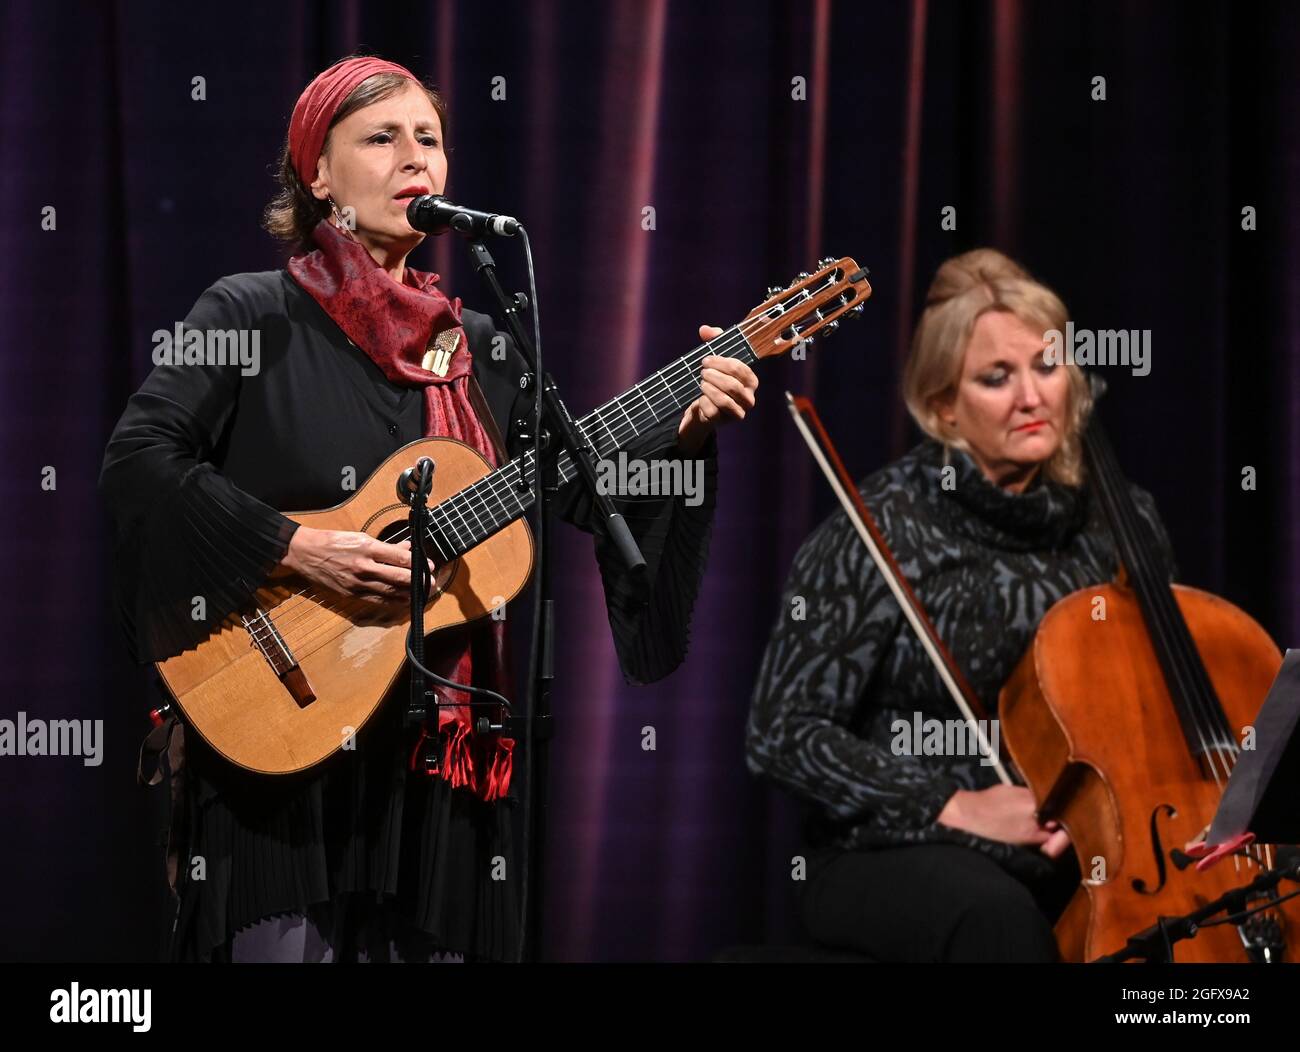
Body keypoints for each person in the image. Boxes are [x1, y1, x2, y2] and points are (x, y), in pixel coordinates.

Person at [100, 55, 759, 963]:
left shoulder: (482, 345)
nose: (416, 155)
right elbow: (139, 462)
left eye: (430, 139)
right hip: (282, 743)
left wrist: (683, 435)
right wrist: (296, 549)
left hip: (434, 765)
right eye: (382, 137)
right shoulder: (253, 313)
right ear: (317, 173)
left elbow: (578, 487)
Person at [745, 248, 1176, 963]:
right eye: (995, 378)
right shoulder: (879, 526)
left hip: (1084, 838)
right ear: (944, 406)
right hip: (886, 848)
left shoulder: (1121, 520)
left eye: (1047, 365)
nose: (1033, 396)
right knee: (999, 922)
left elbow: (1154, 708)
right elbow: (783, 731)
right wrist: (951, 803)